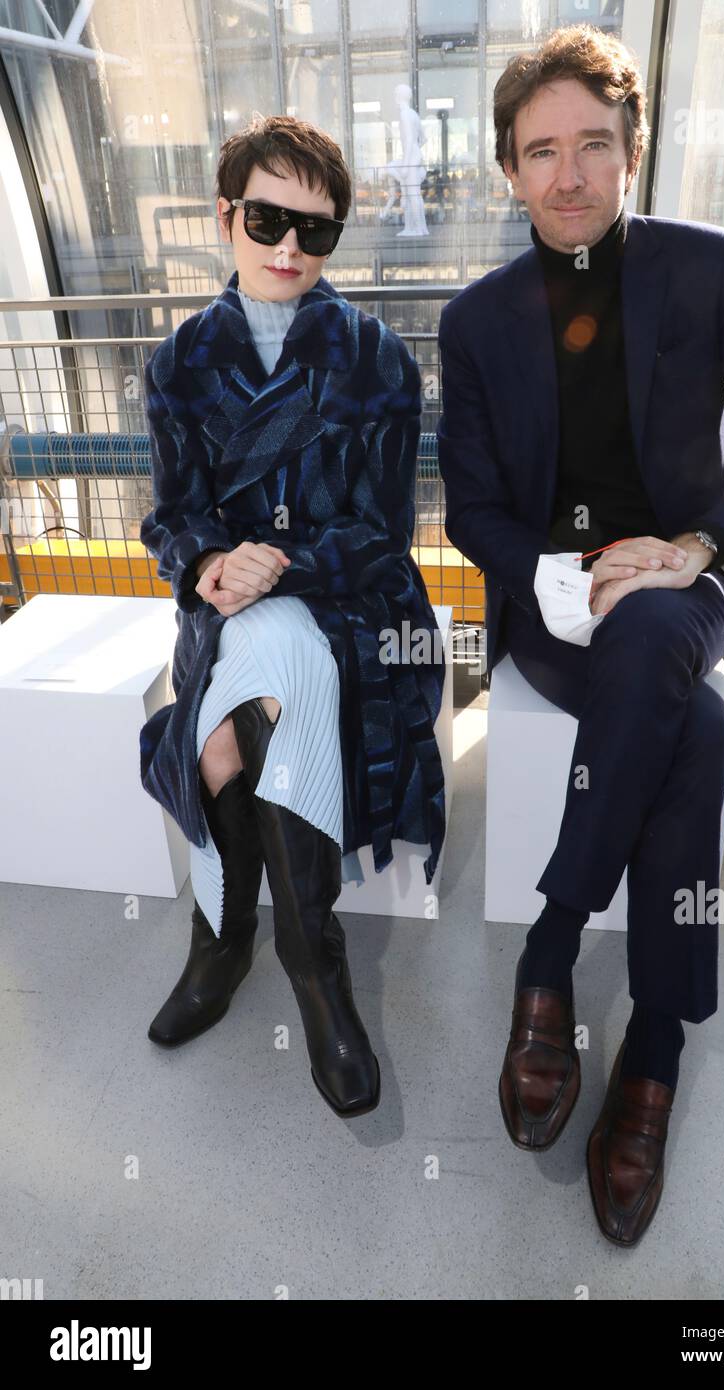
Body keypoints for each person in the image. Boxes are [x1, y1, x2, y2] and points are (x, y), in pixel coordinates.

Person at [436, 24, 724, 1244]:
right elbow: (473, 509)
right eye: (539, 152)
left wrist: (698, 550)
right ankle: (651, 1051)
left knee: (662, 630)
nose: (567, 176)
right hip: (561, 608)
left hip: (689, 575)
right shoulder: (476, 319)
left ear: (632, 149)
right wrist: (553, 578)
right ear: (508, 169)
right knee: (703, 730)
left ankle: (549, 951)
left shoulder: (707, 268)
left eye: (591, 147)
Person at [139, 114, 446, 1119]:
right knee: (240, 717)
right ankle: (310, 967)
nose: (287, 249)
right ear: (226, 216)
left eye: (315, 231)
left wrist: (276, 563)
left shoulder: (376, 361)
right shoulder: (181, 361)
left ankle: (238, 946)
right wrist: (206, 563)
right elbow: (171, 515)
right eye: (267, 218)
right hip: (224, 608)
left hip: (349, 609)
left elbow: (384, 533)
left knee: (240, 723)